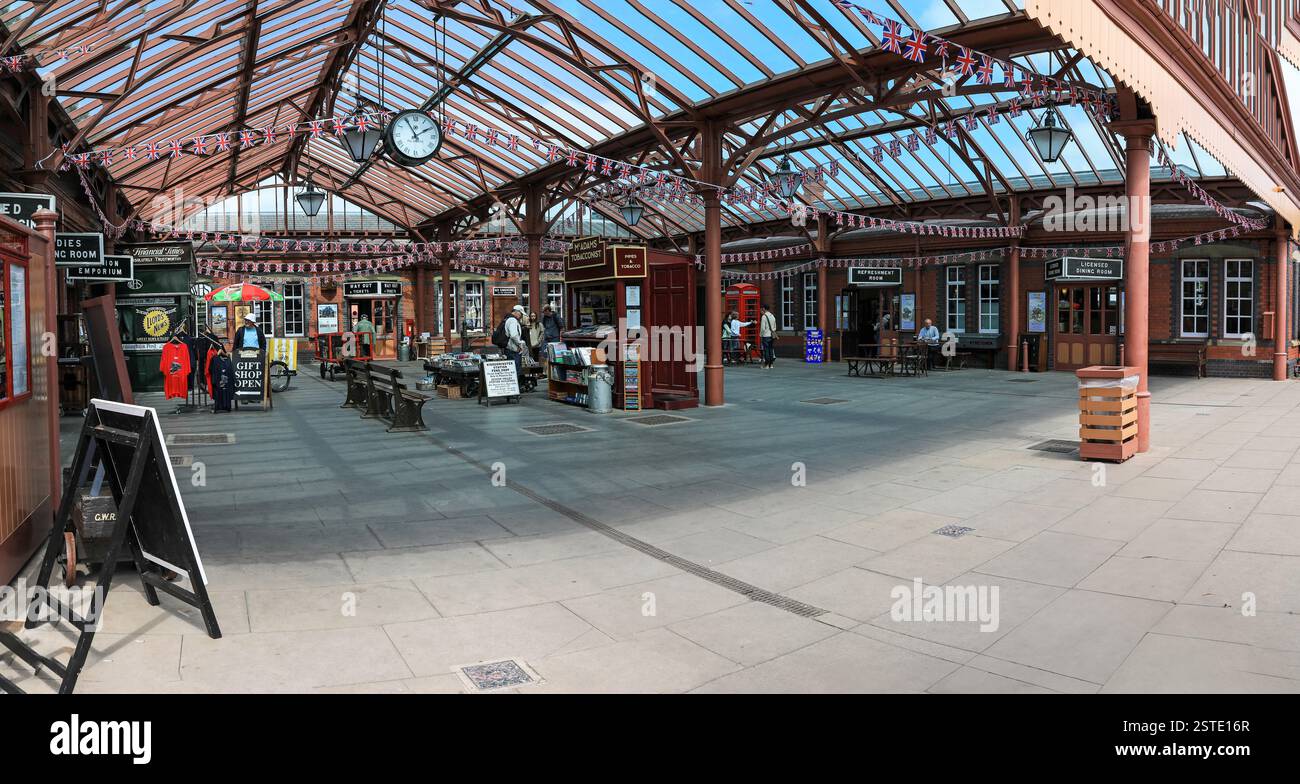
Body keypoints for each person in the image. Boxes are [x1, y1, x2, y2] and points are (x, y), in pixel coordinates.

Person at [503, 304, 526, 372]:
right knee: (515, 371)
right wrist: (520, 343)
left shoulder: (508, 318)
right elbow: (513, 335)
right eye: (521, 314)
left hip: (509, 349)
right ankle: (516, 382)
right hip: (513, 350)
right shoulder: (513, 320)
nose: (521, 316)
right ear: (517, 312)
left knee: (511, 371)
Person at [759, 303, 778, 369]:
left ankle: (766, 365)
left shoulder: (764, 316)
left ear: (764, 308)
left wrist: (761, 335)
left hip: (765, 335)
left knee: (766, 350)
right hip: (772, 336)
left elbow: (762, 328)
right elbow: (775, 327)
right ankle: (771, 364)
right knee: (771, 349)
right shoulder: (772, 316)